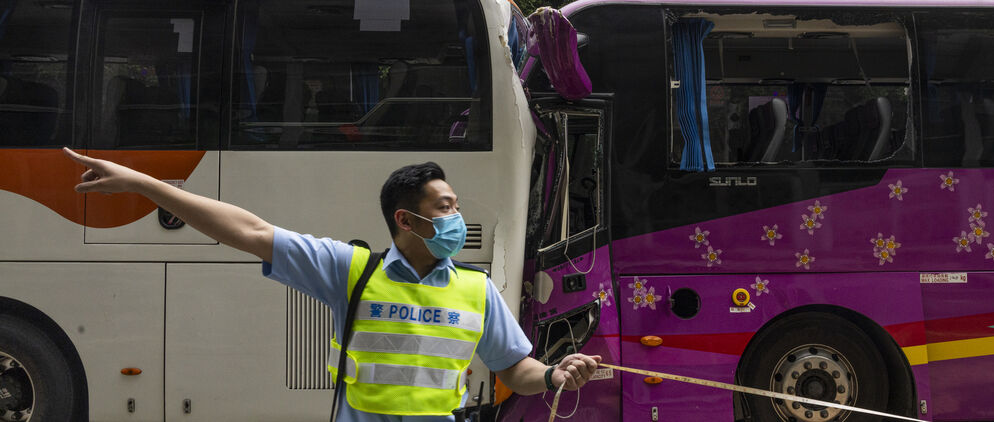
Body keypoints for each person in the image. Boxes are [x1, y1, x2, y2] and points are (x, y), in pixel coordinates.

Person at [62, 148, 600, 421]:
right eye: (444, 208)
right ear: (406, 220)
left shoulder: (476, 289)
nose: (457, 218)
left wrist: (554, 374)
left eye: (456, 206)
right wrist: (145, 185)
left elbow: (515, 370)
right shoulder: (352, 271)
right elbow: (250, 231)